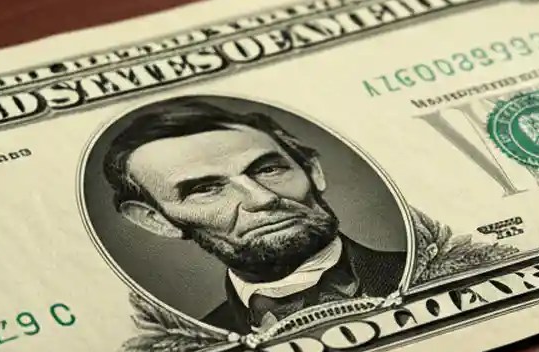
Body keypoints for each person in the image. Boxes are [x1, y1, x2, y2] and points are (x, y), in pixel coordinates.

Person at [103, 99, 407, 334]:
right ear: (156, 220)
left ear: (313, 172)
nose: (263, 198)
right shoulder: (198, 342)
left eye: (268, 170)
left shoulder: (423, 268)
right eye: (206, 189)